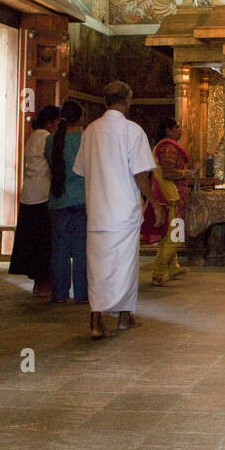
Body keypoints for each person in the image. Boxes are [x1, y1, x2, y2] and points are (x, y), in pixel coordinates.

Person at [73, 81, 162, 340]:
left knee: (97, 266)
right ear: (128, 100)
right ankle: (123, 317)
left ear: (105, 101)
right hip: (123, 211)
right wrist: (154, 202)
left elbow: (81, 170)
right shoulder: (132, 131)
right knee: (124, 265)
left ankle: (97, 320)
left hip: (98, 211)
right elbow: (140, 174)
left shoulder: (90, 131)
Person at [10, 104, 60, 297]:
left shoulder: (33, 137)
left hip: (29, 191)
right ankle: (44, 283)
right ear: (50, 122)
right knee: (43, 241)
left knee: (32, 239)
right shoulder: (46, 137)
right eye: (57, 123)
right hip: (42, 193)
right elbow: (54, 163)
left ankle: (39, 283)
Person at [142, 117, 196, 286]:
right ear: (168, 130)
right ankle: (158, 272)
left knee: (171, 235)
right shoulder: (168, 148)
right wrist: (190, 172)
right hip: (170, 197)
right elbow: (168, 173)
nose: (180, 130)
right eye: (177, 127)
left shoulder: (166, 146)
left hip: (172, 196)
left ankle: (173, 266)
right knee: (175, 236)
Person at [46, 100, 87, 305]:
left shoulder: (51, 141)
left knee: (60, 249)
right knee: (81, 250)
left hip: (57, 199)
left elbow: (53, 167)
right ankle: (82, 294)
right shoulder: (84, 139)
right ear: (80, 118)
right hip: (82, 199)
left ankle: (59, 294)